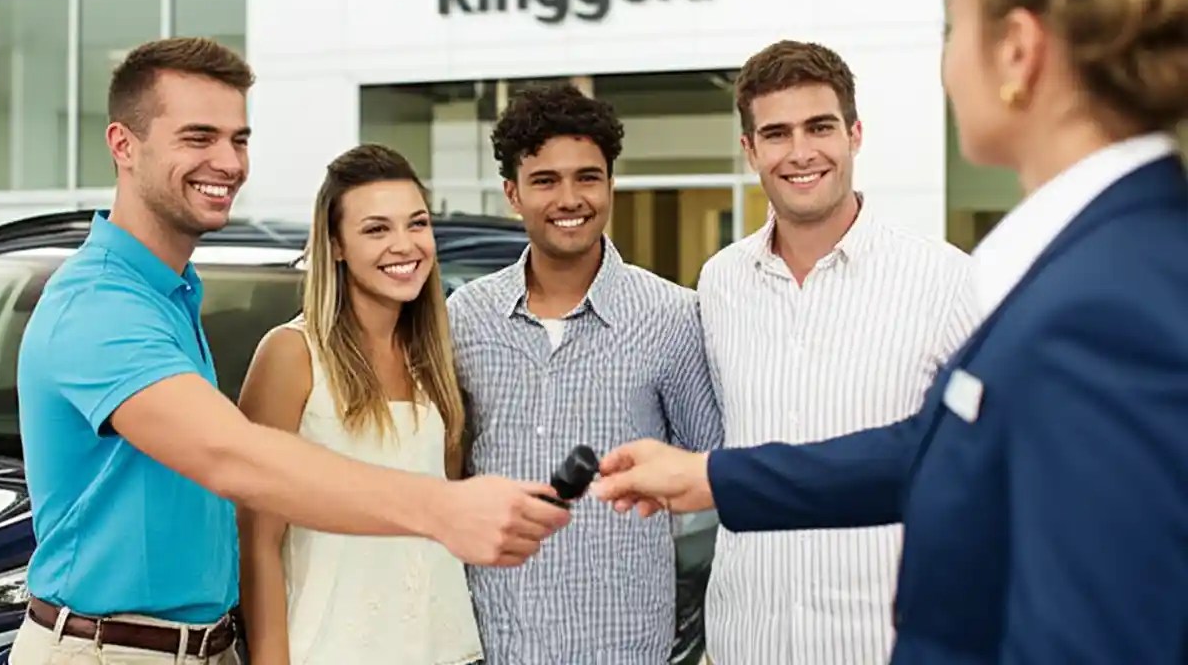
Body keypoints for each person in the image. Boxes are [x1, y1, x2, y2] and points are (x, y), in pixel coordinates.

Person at [592, 0, 1188, 662]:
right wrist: (709, 474)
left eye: (950, 26)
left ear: (1017, 52)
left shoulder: (1104, 294)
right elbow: (932, 453)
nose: (944, 63)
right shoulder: (1084, 264)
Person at [11, 38, 569, 665]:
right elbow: (233, 458)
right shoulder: (99, 303)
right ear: (123, 144)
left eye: (239, 139)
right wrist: (441, 506)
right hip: (111, 652)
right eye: (199, 138)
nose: (227, 161)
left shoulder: (171, 293)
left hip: (200, 647)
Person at [699, 40, 979, 665]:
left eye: (819, 127)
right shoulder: (719, 283)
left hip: (883, 643)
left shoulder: (947, 281)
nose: (800, 152)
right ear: (750, 151)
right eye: (776, 134)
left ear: (854, 134)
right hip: (750, 640)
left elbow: (984, 466)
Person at [446, 82, 723, 664]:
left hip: (621, 645)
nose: (569, 198)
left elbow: (713, 470)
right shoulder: (464, 319)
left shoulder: (670, 317)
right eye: (545, 180)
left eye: (587, 177)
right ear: (511, 194)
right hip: (493, 643)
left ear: (610, 185)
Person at [237, 144, 483, 664]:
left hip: (443, 651)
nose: (404, 245)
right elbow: (255, 538)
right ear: (337, 245)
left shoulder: (435, 363)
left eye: (417, 224)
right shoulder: (292, 355)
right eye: (376, 229)